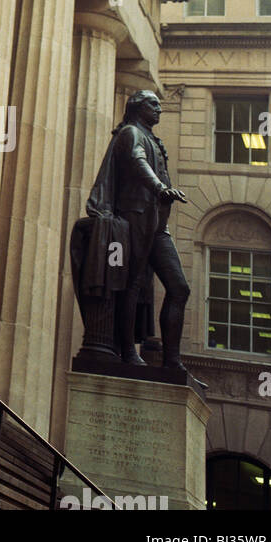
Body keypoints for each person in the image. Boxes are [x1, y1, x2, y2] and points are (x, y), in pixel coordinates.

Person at [85, 90, 193, 370]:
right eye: (152, 104)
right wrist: (160, 188)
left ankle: (172, 360)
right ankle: (127, 352)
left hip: (156, 223)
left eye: (159, 104)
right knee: (131, 284)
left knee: (179, 287)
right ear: (136, 107)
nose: (160, 109)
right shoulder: (131, 133)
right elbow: (137, 161)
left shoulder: (150, 136)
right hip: (135, 215)